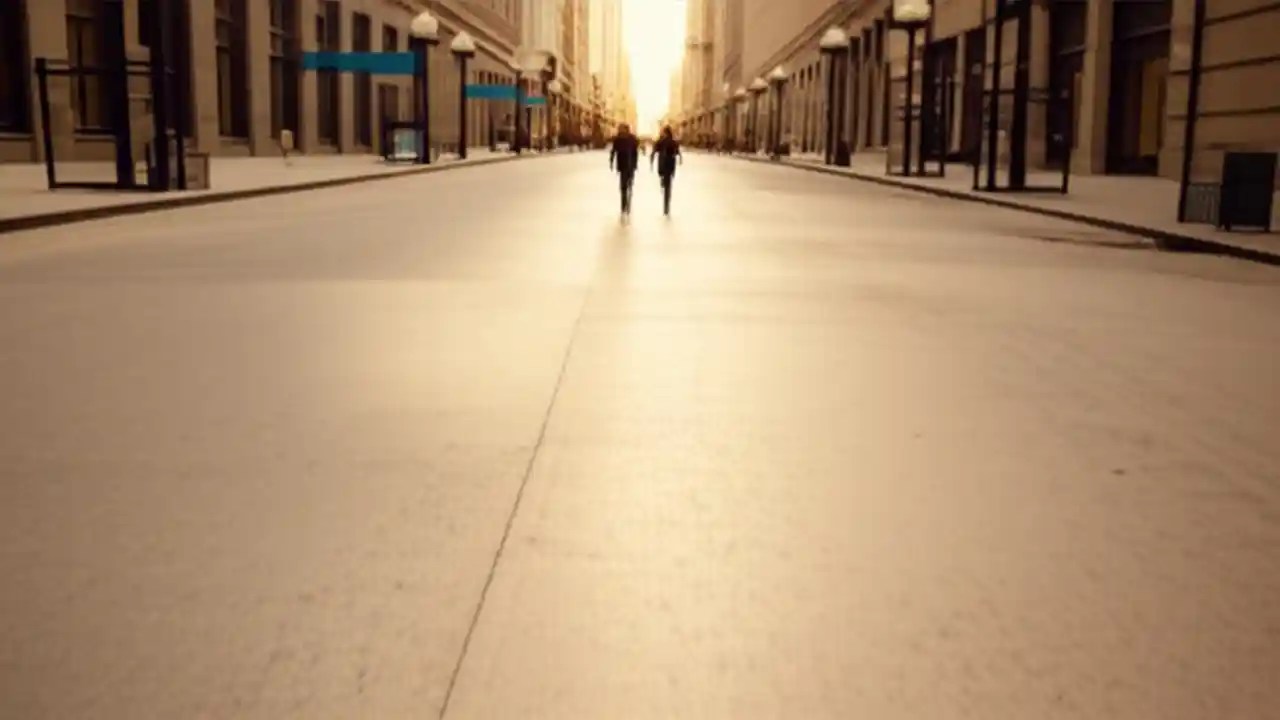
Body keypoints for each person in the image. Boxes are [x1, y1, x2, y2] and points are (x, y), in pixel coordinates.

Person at [650, 125, 683, 216]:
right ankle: (667, 204)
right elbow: (678, 152)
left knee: (664, 180)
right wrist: (680, 160)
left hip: (662, 164)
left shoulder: (660, 141)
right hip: (670, 165)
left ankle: (664, 186)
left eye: (663, 132)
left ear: (665, 132)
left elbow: (653, 151)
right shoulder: (673, 142)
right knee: (668, 184)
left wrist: (651, 161)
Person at [608, 123, 640, 216]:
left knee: (626, 185)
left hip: (628, 165)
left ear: (626, 129)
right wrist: (611, 161)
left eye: (621, 128)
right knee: (624, 186)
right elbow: (613, 151)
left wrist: (635, 163)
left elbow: (635, 152)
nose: (620, 130)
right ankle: (624, 204)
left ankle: (625, 203)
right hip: (624, 165)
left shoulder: (630, 138)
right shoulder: (619, 139)